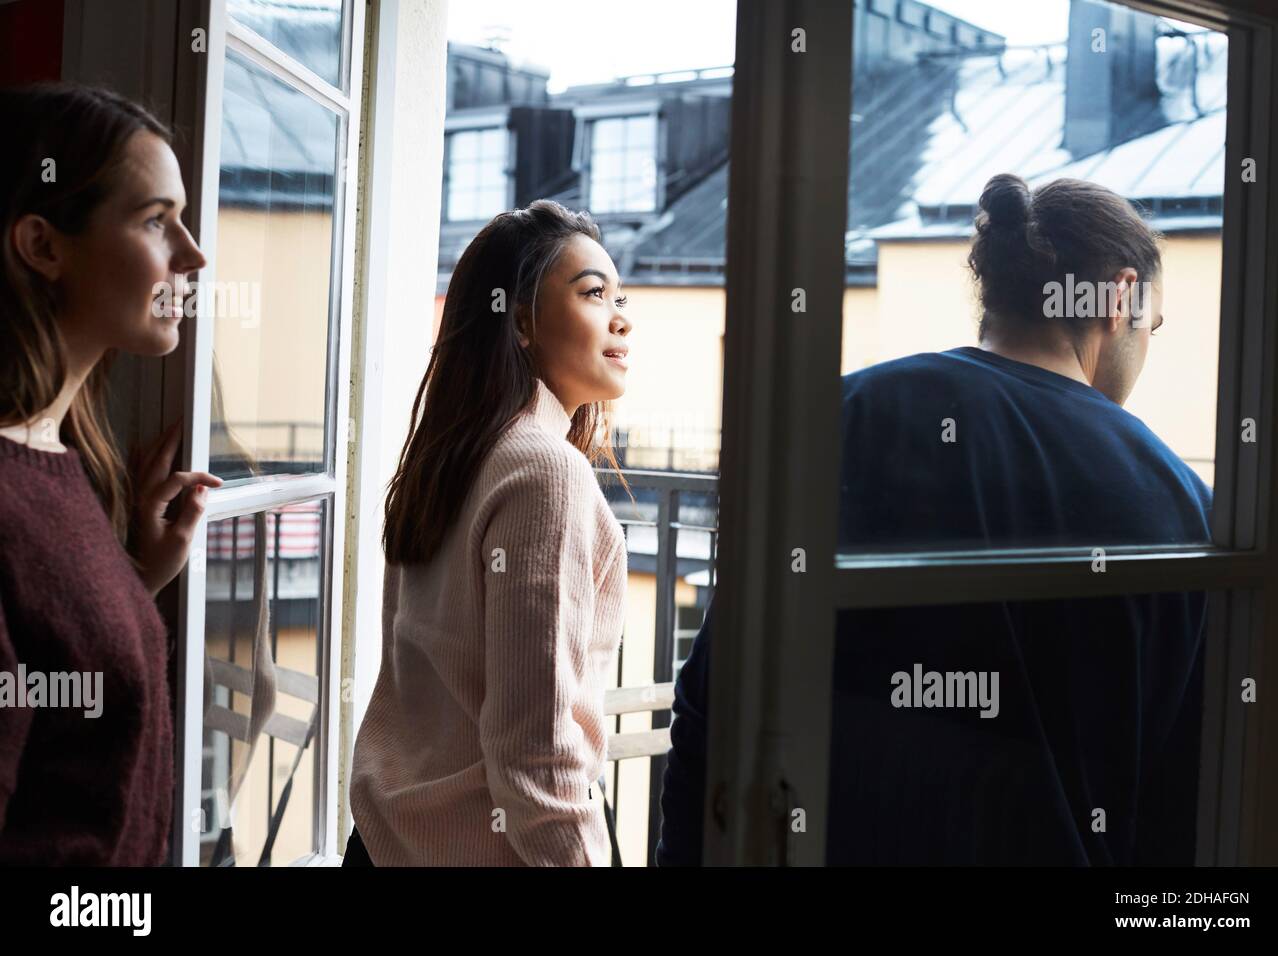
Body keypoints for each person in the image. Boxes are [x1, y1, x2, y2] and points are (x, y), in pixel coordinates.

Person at [657, 174, 1212, 866]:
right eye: (1150, 325)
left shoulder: (834, 417)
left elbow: (714, 701)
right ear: (1120, 296)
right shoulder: (1179, 499)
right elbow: (1186, 803)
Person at [347, 200, 632, 866]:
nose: (621, 318)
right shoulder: (545, 473)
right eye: (593, 293)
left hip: (384, 845)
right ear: (523, 321)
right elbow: (536, 751)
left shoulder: (451, 452)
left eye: (622, 298)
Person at [0, 84, 221, 865]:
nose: (193, 255)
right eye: (157, 221)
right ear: (44, 245)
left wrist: (130, 581)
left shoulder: (62, 460)